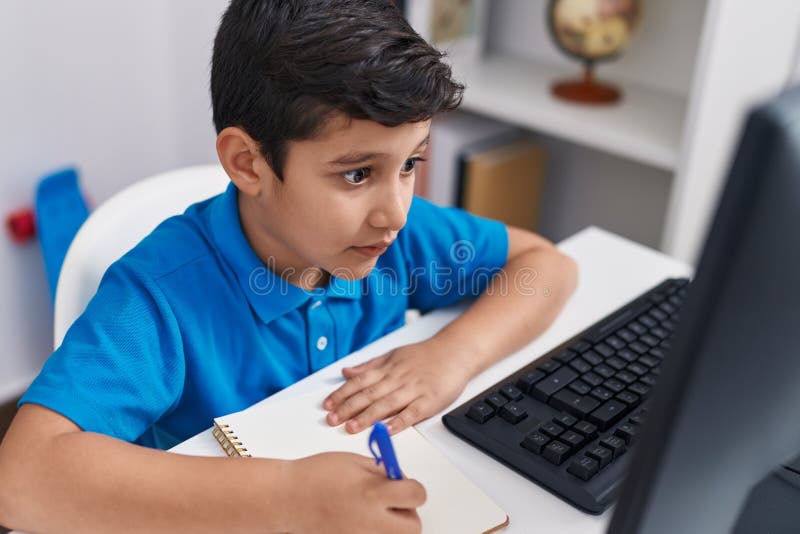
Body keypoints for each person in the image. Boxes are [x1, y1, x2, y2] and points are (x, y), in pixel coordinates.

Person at [0, 1, 578, 532]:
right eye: (357, 174)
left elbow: (544, 265)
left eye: (410, 164)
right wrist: (286, 497)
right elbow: (21, 477)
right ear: (248, 163)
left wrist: (452, 355)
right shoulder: (161, 293)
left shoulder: (390, 237)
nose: (395, 213)